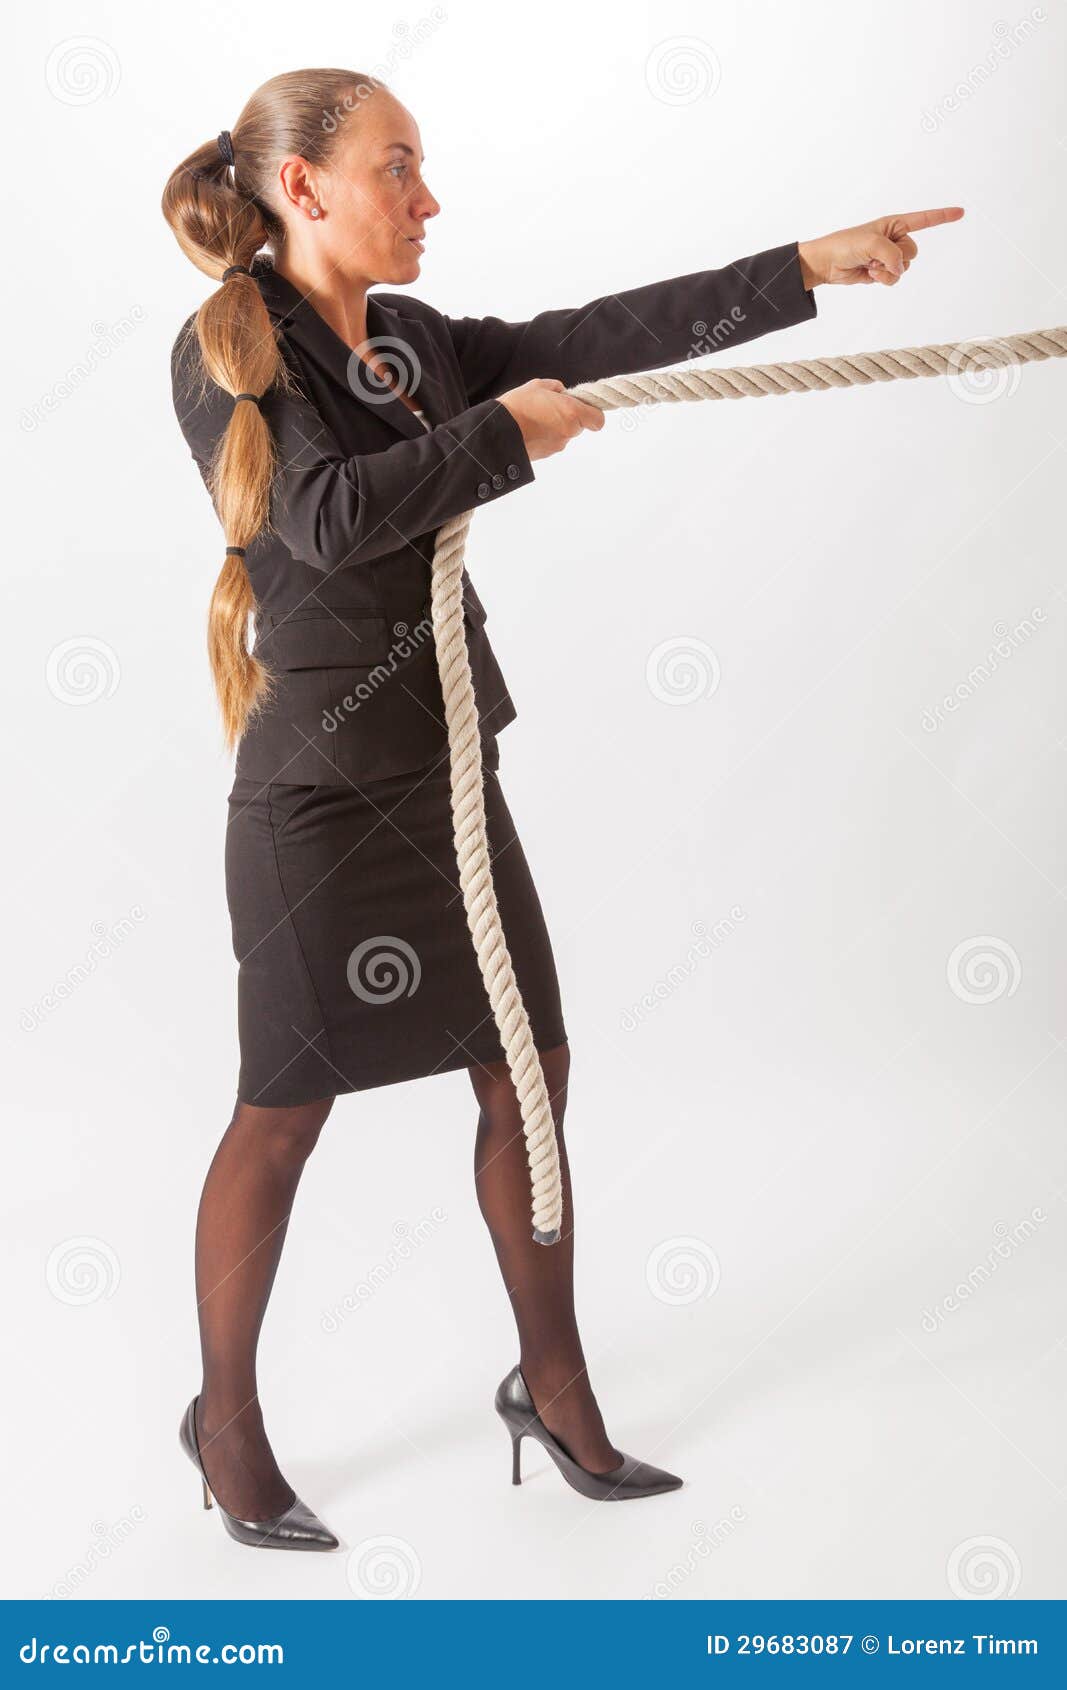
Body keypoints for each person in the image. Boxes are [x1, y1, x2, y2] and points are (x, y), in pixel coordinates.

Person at [163, 65, 962, 1550]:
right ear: (303, 188)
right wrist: (502, 440)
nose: (427, 198)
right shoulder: (223, 352)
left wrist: (803, 267)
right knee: (284, 1112)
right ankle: (226, 1418)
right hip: (317, 802)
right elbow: (327, 524)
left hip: (444, 768)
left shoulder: (410, 342)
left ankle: (553, 1379)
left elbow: (596, 338)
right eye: (398, 167)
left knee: (528, 1071)